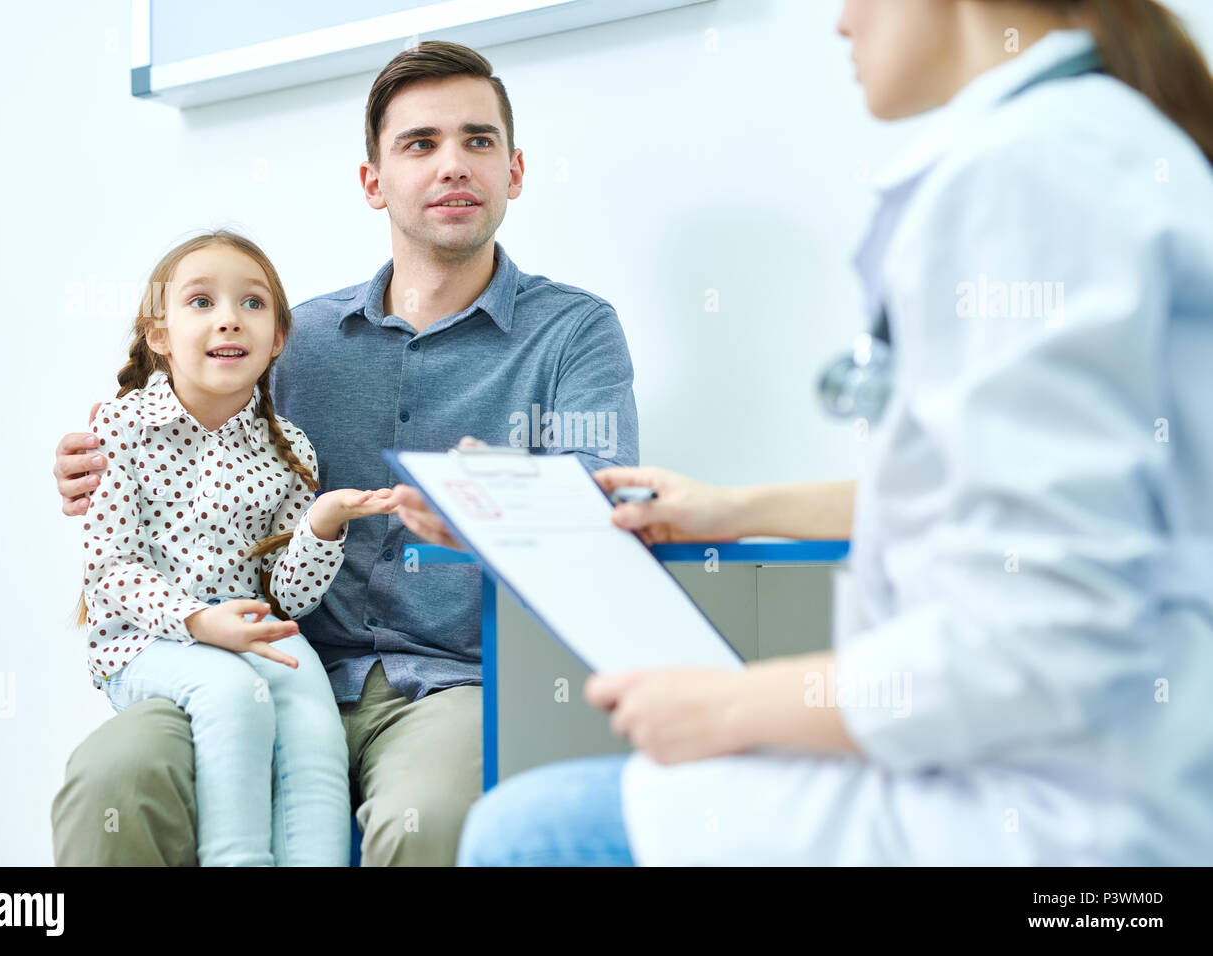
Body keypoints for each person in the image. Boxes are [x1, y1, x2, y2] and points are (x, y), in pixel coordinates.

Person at [399, 0, 1213, 865]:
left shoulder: (1026, 174)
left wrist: (730, 706)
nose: (840, 24)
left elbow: (1045, 630)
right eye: (421, 143)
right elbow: (991, 500)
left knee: (531, 833)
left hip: (1061, 829)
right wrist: (736, 506)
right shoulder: (1093, 147)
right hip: (1086, 773)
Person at [50, 41, 638, 866]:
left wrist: (488, 508)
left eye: (478, 140)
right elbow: (183, 428)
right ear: (374, 182)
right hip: (263, 664)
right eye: (420, 144)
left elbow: (600, 514)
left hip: (455, 685)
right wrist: (91, 460)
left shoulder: (575, 333)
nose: (453, 165)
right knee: (112, 779)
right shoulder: (294, 337)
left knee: (426, 821)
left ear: (515, 172)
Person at [77, 230, 397, 865]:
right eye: (201, 302)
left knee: (312, 719)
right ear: (159, 335)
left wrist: (323, 525)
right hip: (149, 639)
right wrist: (198, 621)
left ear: (277, 338)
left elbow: (289, 597)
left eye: (252, 304)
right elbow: (110, 570)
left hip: (253, 632)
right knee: (228, 694)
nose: (229, 318)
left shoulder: (289, 450)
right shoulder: (120, 430)